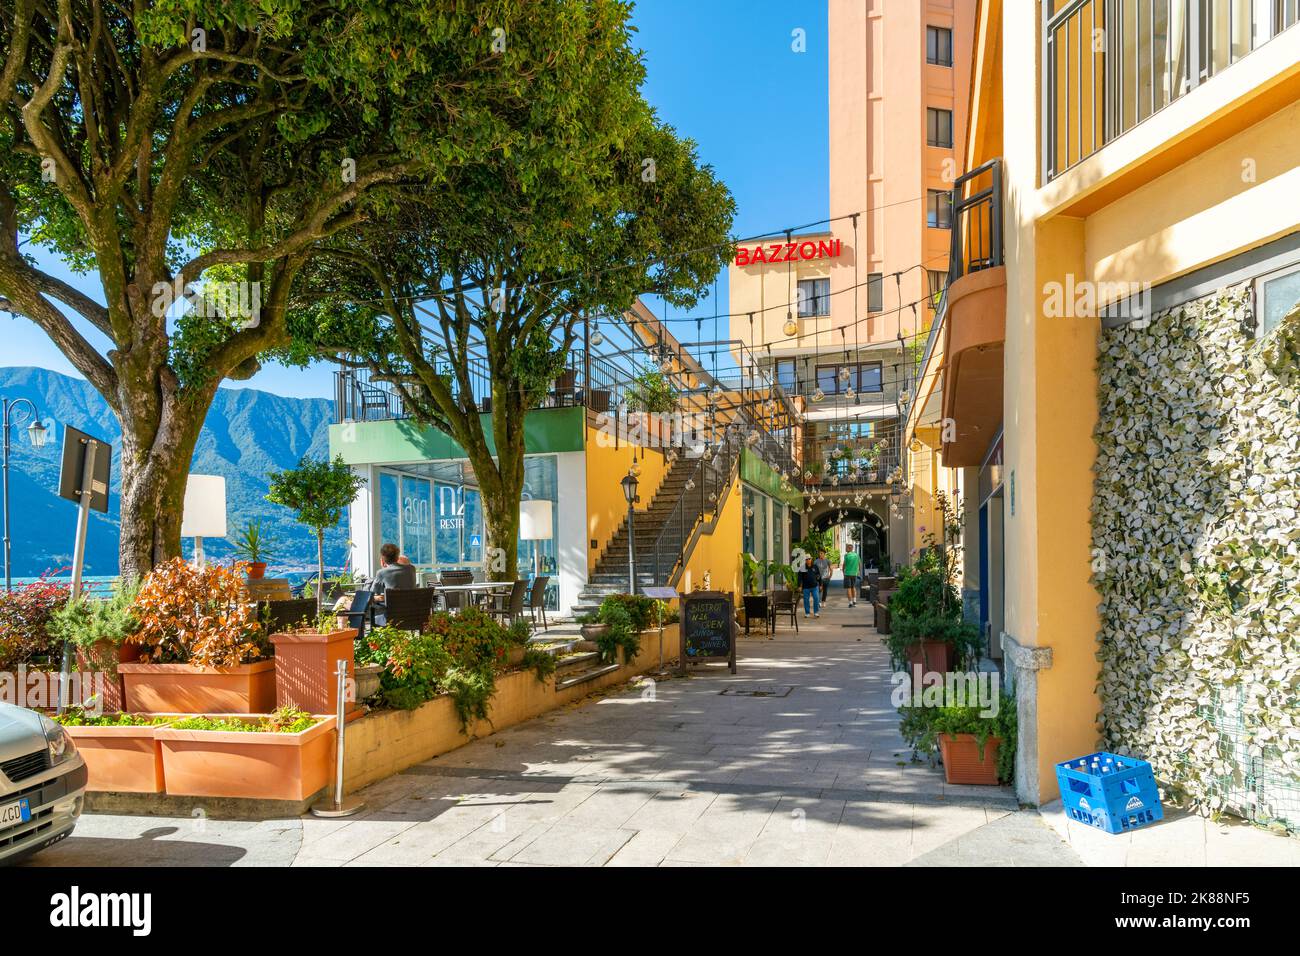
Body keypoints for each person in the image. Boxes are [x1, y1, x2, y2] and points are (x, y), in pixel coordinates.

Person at [370, 542, 417, 606]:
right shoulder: (412, 569)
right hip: (412, 612)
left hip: (392, 613)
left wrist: (384, 568)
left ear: (383, 559)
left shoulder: (382, 573)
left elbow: (372, 593)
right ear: (397, 557)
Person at [843, 544, 862, 608]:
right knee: (853, 587)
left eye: (846, 548)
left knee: (848, 588)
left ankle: (850, 603)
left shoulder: (846, 555)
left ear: (849, 548)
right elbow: (860, 564)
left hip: (847, 574)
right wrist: (858, 571)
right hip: (854, 574)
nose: (845, 549)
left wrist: (843, 572)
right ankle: (855, 601)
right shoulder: (857, 555)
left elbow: (844, 565)